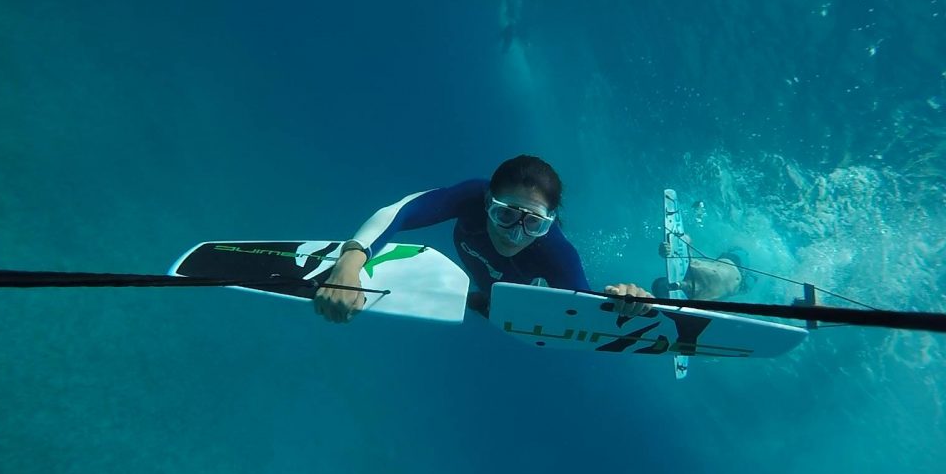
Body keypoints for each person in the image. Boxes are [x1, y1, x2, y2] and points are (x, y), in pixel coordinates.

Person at [313, 155, 653, 323]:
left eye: (533, 224)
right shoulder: (471, 196)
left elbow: (591, 308)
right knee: (484, 302)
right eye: (505, 215)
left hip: (515, 305)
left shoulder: (557, 254)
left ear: (548, 225)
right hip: (484, 298)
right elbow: (401, 211)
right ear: (488, 202)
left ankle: (692, 282)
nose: (516, 234)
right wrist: (349, 264)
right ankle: (479, 301)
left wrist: (629, 301)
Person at [652, 240, 750, 301]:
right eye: (667, 293)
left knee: (745, 247)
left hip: (737, 259)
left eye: (667, 285)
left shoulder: (688, 266)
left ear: (669, 277)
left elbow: (685, 239)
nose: (671, 288)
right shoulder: (697, 302)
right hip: (742, 286)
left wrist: (669, 248)